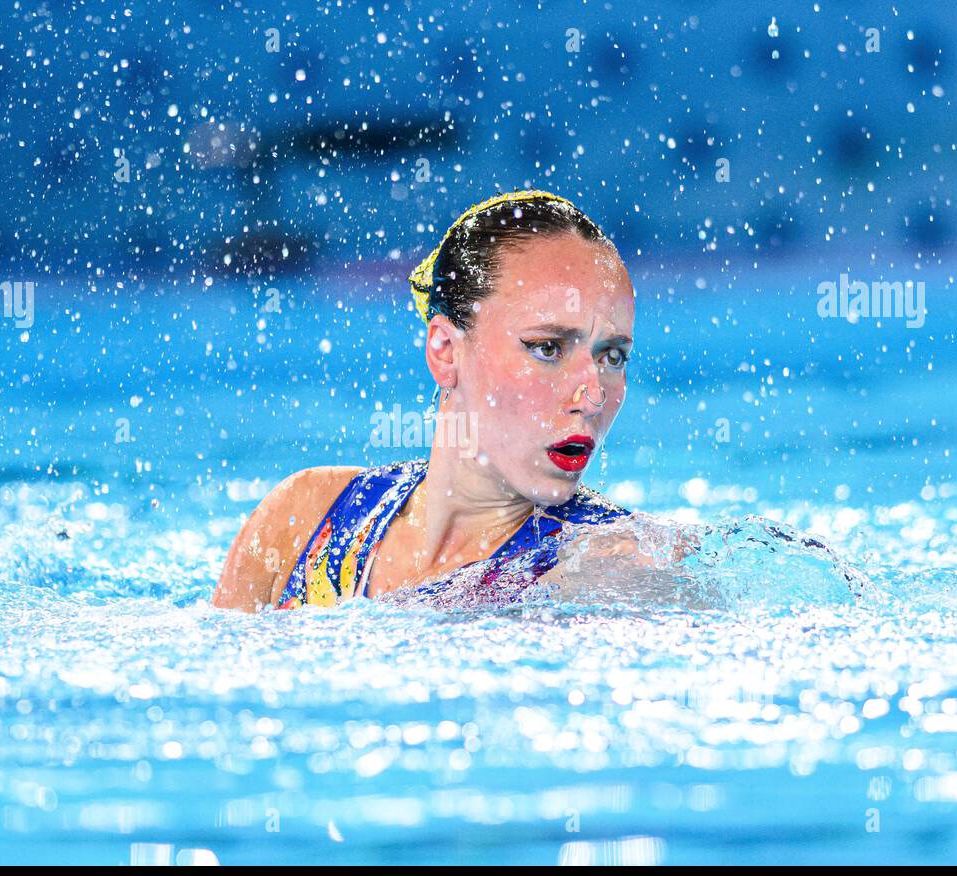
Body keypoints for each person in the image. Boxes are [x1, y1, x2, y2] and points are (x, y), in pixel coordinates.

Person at [212, 189, 660, 613]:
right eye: (547, 347)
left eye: (612, 356)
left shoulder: (610, 568)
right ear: (446, 351)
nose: (595, 395)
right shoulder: (303, 518)